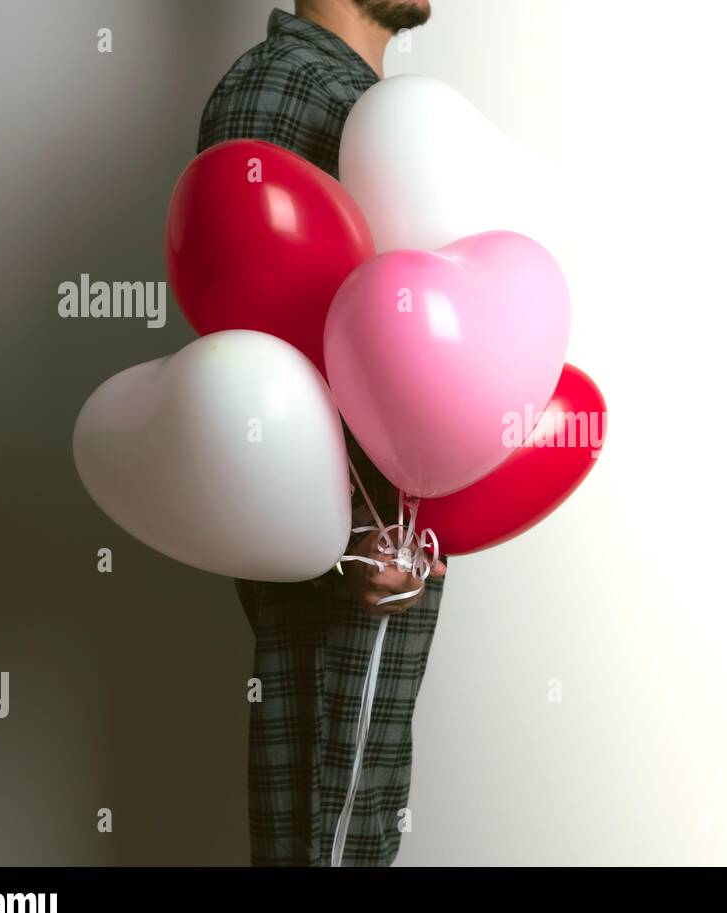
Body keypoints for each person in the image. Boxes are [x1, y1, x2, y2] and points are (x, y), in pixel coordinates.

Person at [197, 0, 441, 866]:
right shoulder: (281, 92)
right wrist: (344, 547)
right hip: (343, 567)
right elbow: (246, 378)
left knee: (355, 836)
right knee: (323, 843)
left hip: (380, 555)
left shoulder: (366, 105)